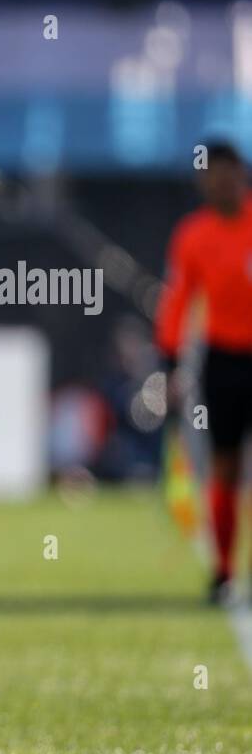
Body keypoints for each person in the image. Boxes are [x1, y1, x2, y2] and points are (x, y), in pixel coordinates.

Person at [155, 141, 252, 605]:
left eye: (225, 173)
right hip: (224, 361)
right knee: (226, 467)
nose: (218, 182)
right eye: (208, 175)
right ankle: (225, 570)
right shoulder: (193, 235)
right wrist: (170, 360)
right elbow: (177, 299)